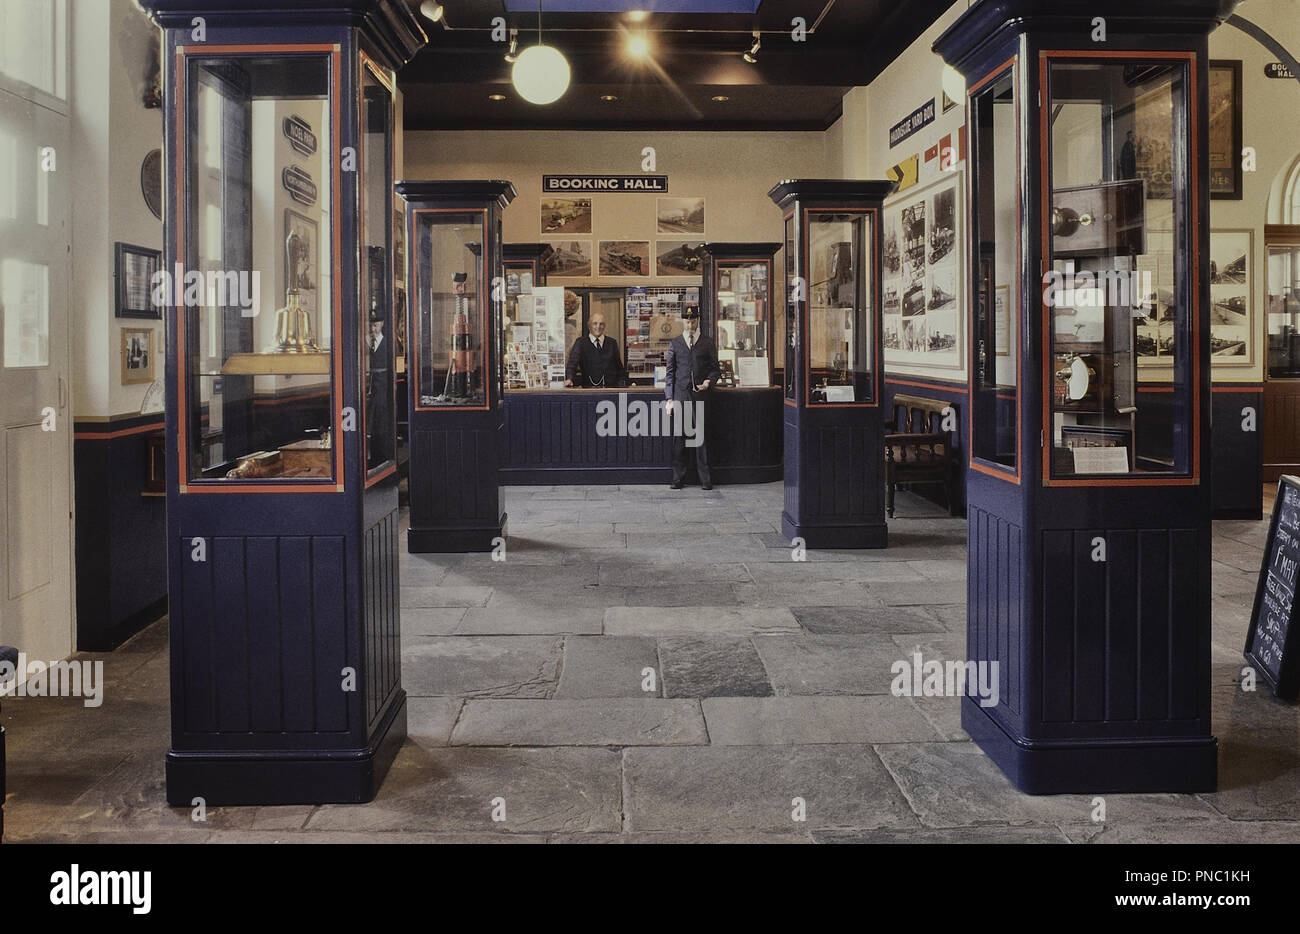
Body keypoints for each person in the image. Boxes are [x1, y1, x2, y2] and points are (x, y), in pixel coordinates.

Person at [664, 306, 720, 490]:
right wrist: (669, 399)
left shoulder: (707, 343)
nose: (690, 324)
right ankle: (678, 478)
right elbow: (670, 374)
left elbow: (715, 369)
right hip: (680, 395)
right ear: (683, 322)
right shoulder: (675, 343)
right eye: (687, 321)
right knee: (679, 438)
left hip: (701, 396)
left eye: (693, 321)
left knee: (701, 438)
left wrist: (708, 381)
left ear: (698, 320)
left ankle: (705, 479)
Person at [565, 310, 626, 388]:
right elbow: (572, 364)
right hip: (589, 391)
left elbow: (619, 368)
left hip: (610, 390)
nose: (598, 327)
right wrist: (569, 379)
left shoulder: (612, 343)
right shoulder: (581, 343)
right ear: (589, 326)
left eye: (601, 324)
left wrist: (621, 385)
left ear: (604, 326)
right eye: (595, 323)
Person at [365, 303, 391, 467]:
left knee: (380, 417)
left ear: (381, 324)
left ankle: (380, 454)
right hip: (368, 384)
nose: (373, 329)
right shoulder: (365, 341)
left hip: (382, 384)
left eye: (375, 325)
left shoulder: (388, 343)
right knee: (368, 418)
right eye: (371, 325)